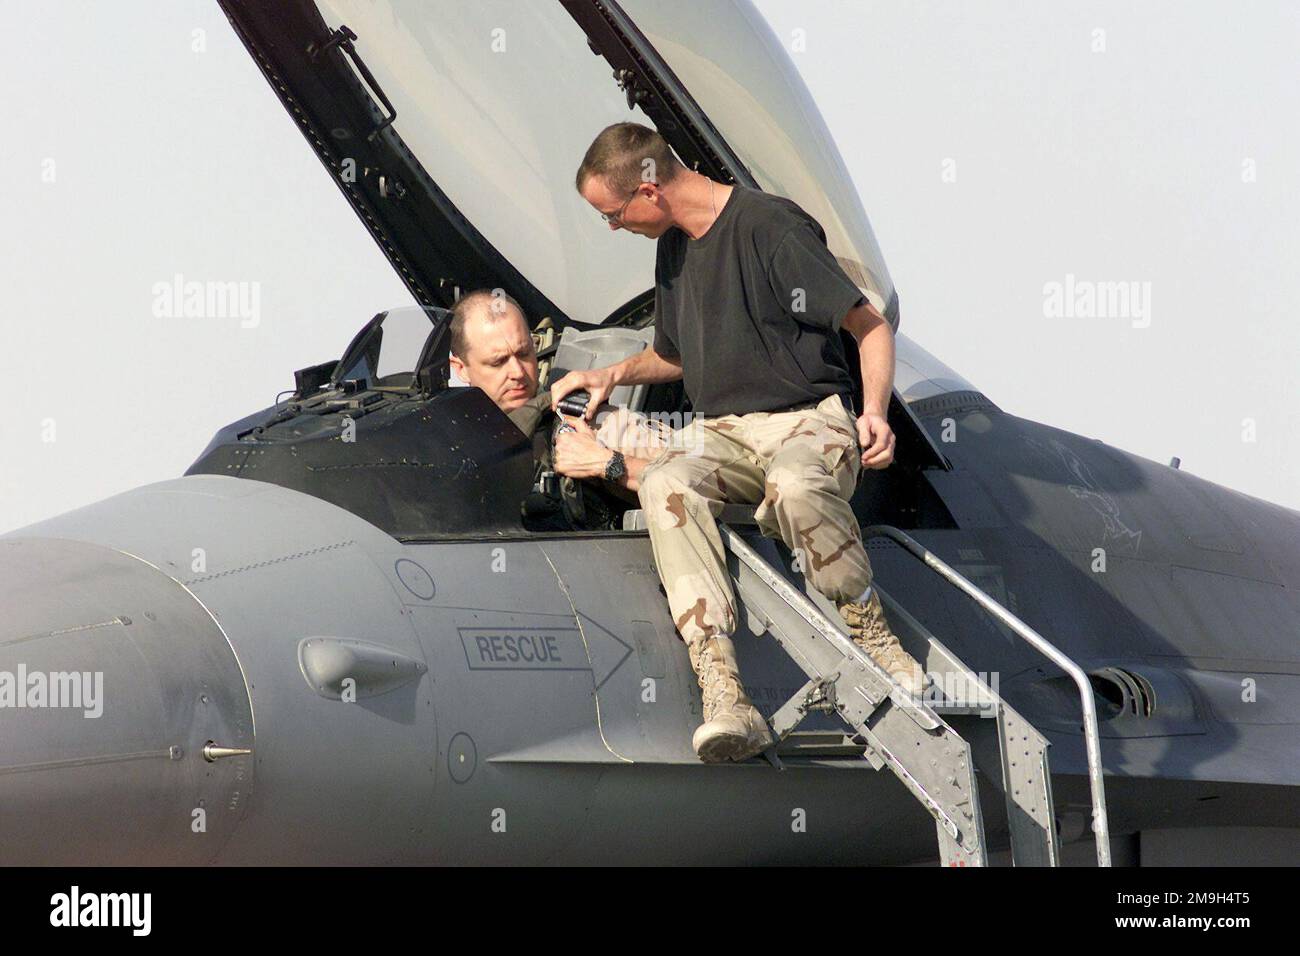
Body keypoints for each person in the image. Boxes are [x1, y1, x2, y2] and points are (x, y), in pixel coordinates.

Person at [552, 122, 926, 764]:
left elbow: (870, 327)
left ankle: (871, 633)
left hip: (809, 420)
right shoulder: (673, 250)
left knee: (796, 483)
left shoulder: (771, 228)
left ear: (649, 190)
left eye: (613, 215)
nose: (613, 227)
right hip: (725, 432)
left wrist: (873, 413)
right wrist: (612, 372)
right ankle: (726, 694)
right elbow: (672, 357)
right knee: (667, 480)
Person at [446, 289, 671, 517]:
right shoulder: (447, 438)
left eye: (524, 353)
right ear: (460, 368)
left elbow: (699, 480)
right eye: (498, 362)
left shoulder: (588, 426)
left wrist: (608, 463)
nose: (517, 372)